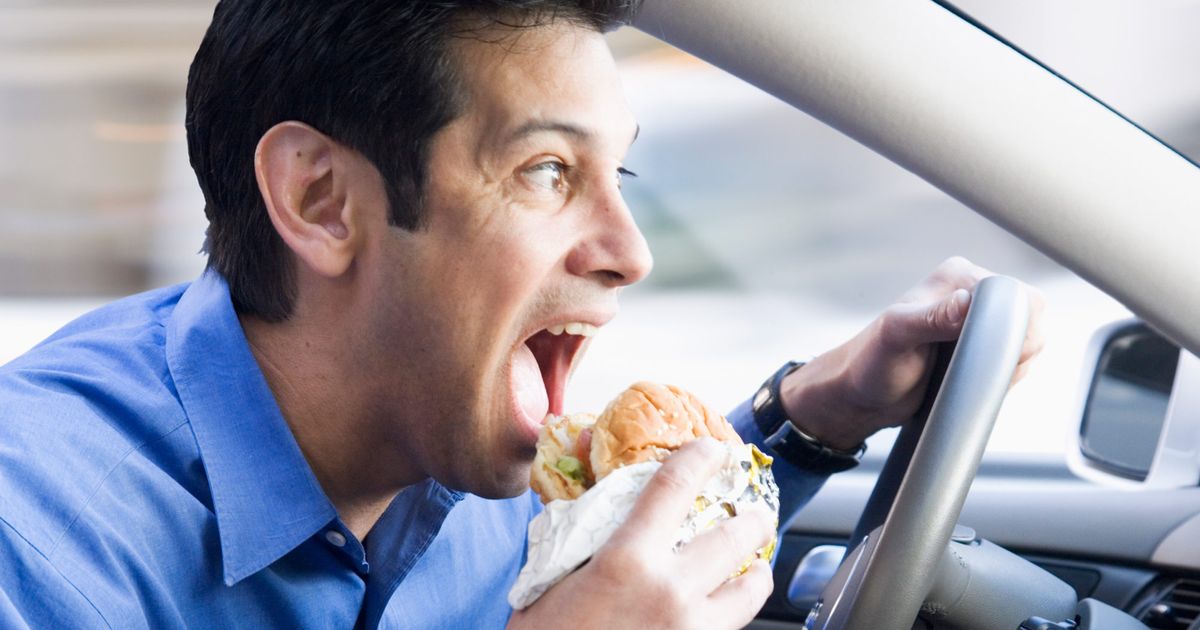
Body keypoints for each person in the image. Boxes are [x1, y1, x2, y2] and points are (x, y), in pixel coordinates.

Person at [0, 1, 1044, 628]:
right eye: (547, 171)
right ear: (323, 201)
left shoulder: (467, 453)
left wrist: (817, 413)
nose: (630, 252)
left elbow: (623, 531)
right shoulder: (36, 535)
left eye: (619, 173)